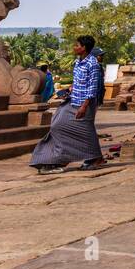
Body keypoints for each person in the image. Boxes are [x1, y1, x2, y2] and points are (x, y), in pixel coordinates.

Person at [30, 35, 105, 174]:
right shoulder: (78, 62)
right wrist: (69, 89)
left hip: (85, 103)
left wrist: (84, 106)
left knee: (86, 130)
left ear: (84, 48)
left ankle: (95, 158)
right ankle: (61, 155)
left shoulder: (92, 64)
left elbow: (93, 87)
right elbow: (78, 81)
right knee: (58, 124)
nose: (74, 47)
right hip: (73, 99)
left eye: (77, 45)